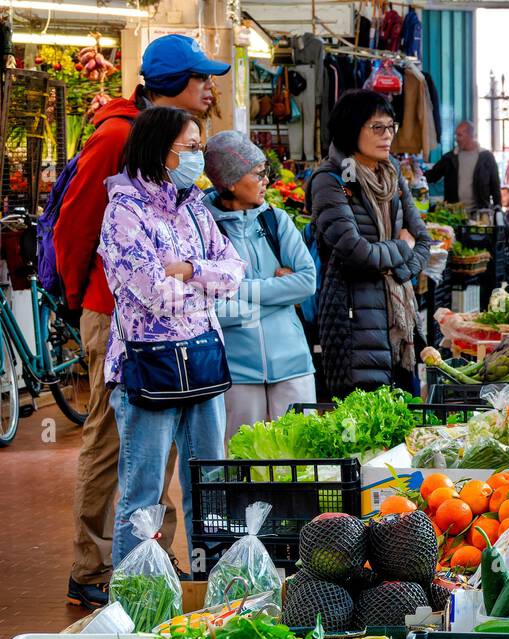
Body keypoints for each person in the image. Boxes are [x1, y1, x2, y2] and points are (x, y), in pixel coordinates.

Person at [57, 33, 229, 609]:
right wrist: (88, 298)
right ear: (174, 85)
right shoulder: (117, 139)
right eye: (201, 79)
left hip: (179, 327)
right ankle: (97, 567)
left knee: (164, 454)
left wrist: (191, 275)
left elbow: (229, 267)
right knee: (118, 448)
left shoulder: (183, 180)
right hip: (118, 318)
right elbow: (78, 225)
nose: (209, 89)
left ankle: (155, 560)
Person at [98, 107, 245, 566]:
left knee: (211, 485)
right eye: (192, 147)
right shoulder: (123, 213)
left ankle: (213, 585)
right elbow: (153, 293)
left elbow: (235, 272)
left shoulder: (196, 209)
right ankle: (135, 600)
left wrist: (189, 270)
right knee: (143, 495)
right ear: (161, 151)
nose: (199, 156)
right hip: (148, 366)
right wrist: (204, 288)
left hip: (201, 360)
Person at [308, 90, 433, 396]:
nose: (387, 135)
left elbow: (424, 240)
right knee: (362, 416)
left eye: (391, 127)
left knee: (403, 411)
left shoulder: (391, 174)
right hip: (353, 317)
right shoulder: (331, 179)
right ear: (352, 129)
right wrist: (401, 249)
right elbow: (354, 251)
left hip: (398, 312)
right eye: (377, 127)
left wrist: (398, 271)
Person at [203, 131, 317, 441]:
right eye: (257, 173)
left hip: (294, 365)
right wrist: (278, 296)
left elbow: (307, 281)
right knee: (244, 467)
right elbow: (208, 308)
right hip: (236, 373)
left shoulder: (276, 221)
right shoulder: (204, 232)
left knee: (301, 464)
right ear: (230, 181)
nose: (265, 180)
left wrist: (239, 292)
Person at [424, 120, 501, 212]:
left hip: (480, 213)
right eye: (456, 135)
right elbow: (433, 175)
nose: (457, 138)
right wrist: (416, 176)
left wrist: (498, 208)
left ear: (471, 136)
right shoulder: (450, 158)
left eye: (460, 135)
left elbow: (495, 184)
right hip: (454, 213)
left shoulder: (486, 157)